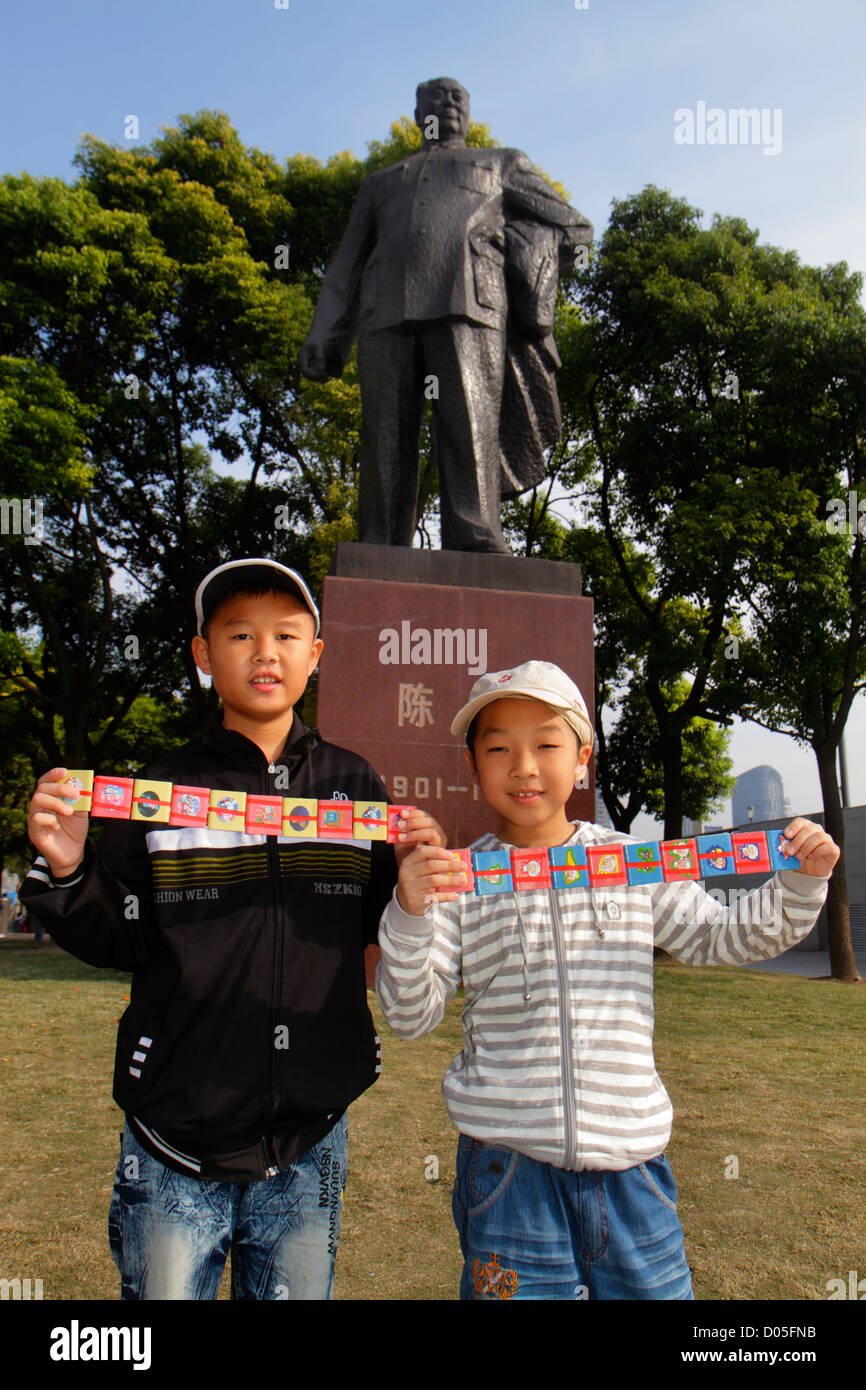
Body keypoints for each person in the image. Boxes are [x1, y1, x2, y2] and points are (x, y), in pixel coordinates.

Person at [21, 557, 442, 1301]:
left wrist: (415, 887)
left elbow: (385, 920)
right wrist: (69, 868)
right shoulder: (158, 789)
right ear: (204, 653)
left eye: (286, 635)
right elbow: (123, 936)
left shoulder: (354, 787)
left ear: (316, 654)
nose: (264, 652)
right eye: (240, 634)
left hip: (311, 1135)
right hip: (173, 1133)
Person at [376, 660, 839, 1300]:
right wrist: (409, 913)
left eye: (546, 745)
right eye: (499, 749)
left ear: (582, 759)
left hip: (632, 1172)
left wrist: (801, 883)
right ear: (473, 766)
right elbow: (409, 1015)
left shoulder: (630, 861)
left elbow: (721, 936)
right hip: (507, 1174)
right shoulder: (459, 882)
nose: (524, 767)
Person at [299, 77, 593, 553]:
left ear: (469, 113)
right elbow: (347, 263)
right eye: (436, 96)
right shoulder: (381, 183)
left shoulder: (500, 163)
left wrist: (518, 253)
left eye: (458, 96)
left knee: (470, 421)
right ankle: (380, 540)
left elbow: (575, 230)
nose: (449, 102)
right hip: (384, 312)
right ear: (418, 114)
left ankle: (474, 533)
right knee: (384, 433)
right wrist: (324, 332)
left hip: (471, 306)